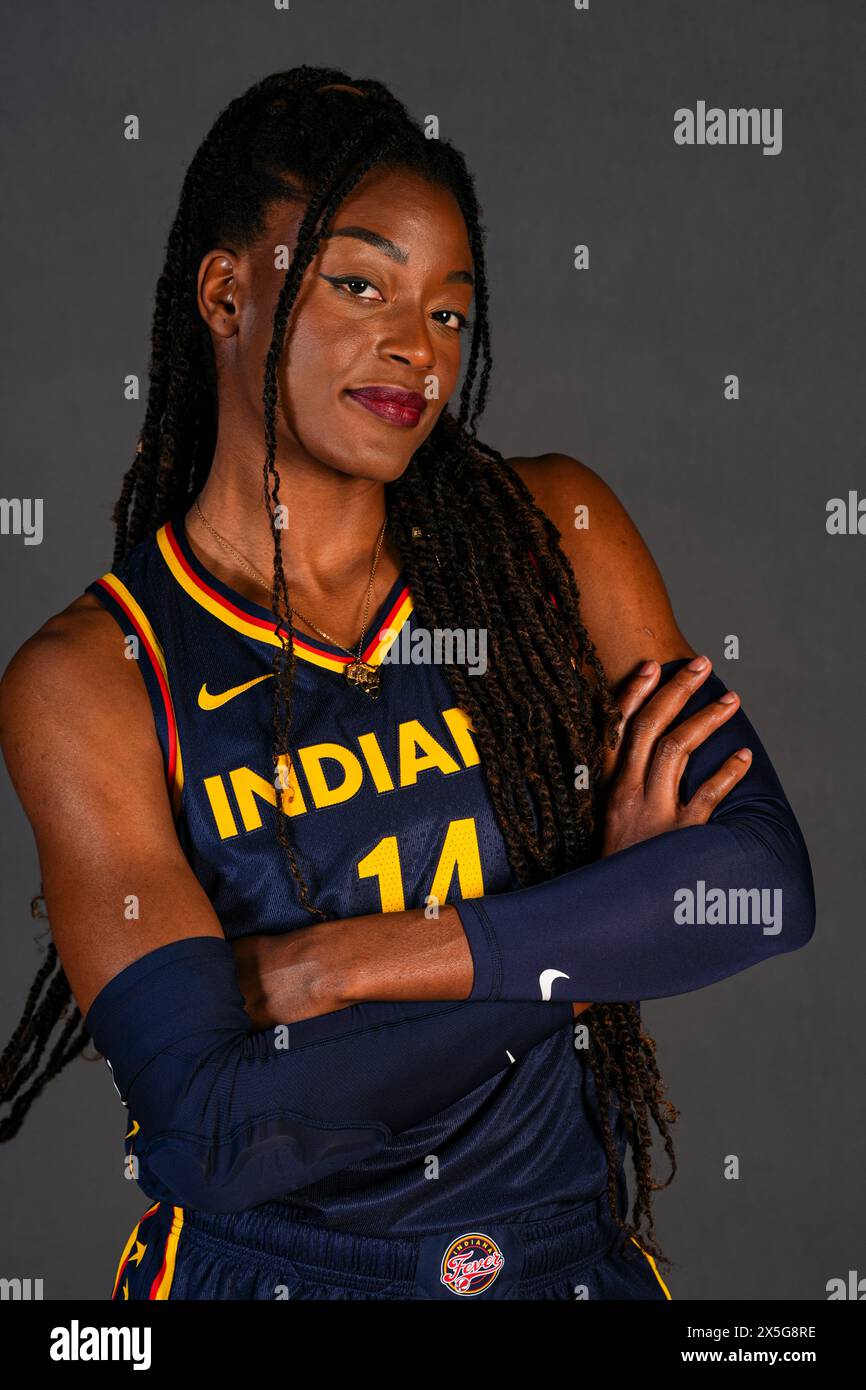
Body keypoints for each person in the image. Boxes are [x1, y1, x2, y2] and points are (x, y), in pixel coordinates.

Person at [0, 66, 815, 1302]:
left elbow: (757, 887)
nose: (411, 348)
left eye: (449, 312)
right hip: (277, 1274)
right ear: (225, 291)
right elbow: (218, 1129)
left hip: (564, 1262)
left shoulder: (552, 530)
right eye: (359, 282)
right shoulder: (96, 675)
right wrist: (595, 936)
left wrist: (356, 961)